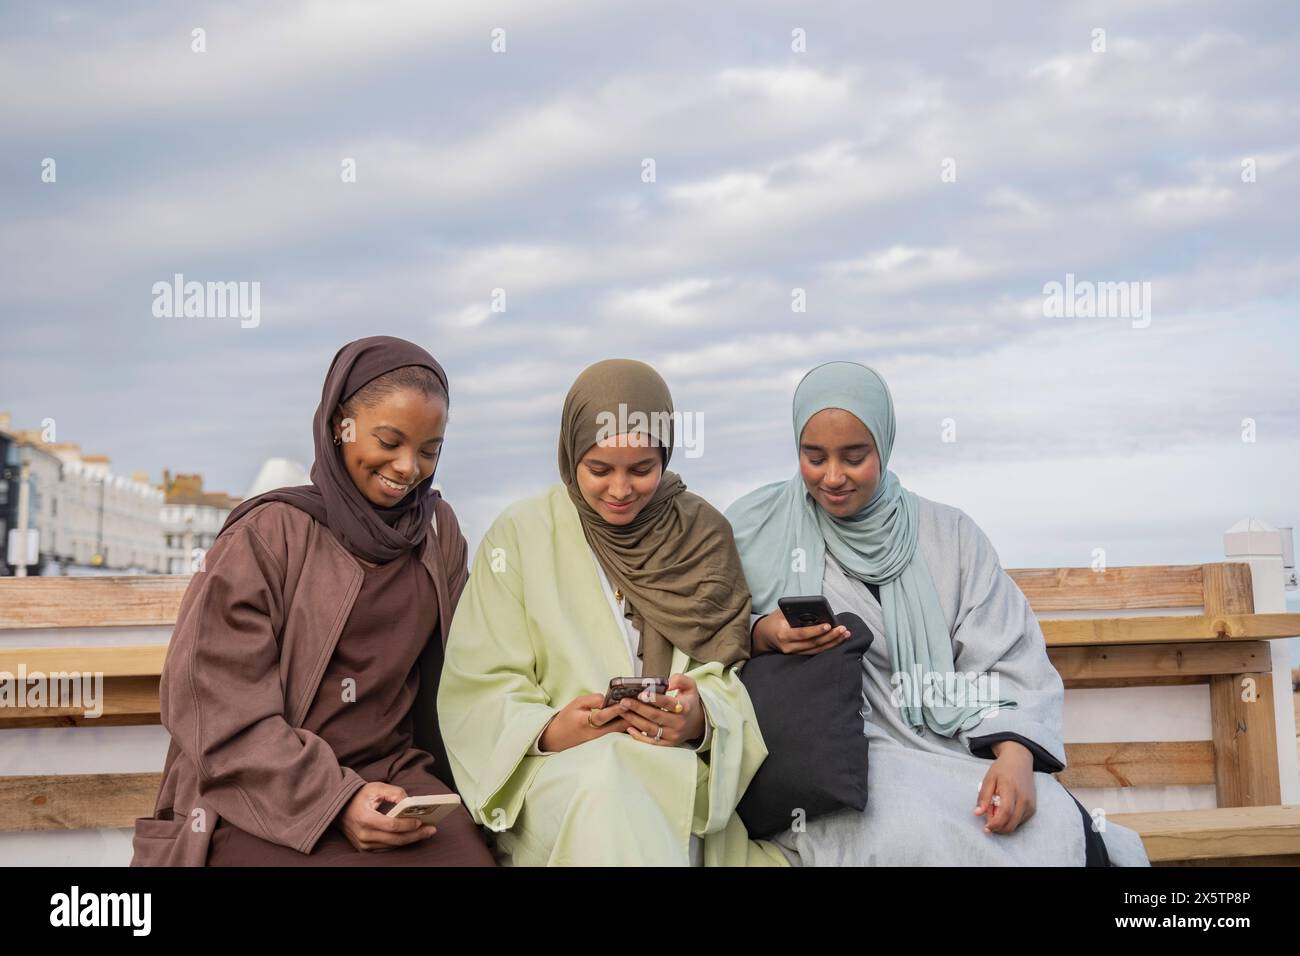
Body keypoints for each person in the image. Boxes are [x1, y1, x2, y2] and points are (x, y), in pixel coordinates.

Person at [725, 360, 1150, 866]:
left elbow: (1008, 655)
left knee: (1055, 825)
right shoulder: (756, 527)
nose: (832, 477)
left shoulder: (950, 536)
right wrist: (763, 633)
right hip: (845, 765)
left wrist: (1016, 758)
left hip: (956, 748)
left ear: (883, 444)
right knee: (910, 834)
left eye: (854, 456)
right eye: (813, 457)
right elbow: (708, 636)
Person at [131, 335, 493, 866]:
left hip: (395, 780)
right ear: (338, 426)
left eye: (428, 450)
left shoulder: (437, 532)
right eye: (388, 441)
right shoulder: (267, 534)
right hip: (266, 795)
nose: (407, 467)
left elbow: (472, 664)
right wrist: (335, 800)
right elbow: (213, 704)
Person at [437, 359, 786, 866]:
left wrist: (698, 719)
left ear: (665, 455)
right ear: (570, 452)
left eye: (641, 469)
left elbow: (726, 675)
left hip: (677, 779)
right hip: (563, 780)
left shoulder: (701, 534)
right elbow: (478, 689)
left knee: (634, 790)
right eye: (599, 469)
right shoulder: (518, 537)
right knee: (608, 782)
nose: (620, 490)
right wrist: (557, 729)